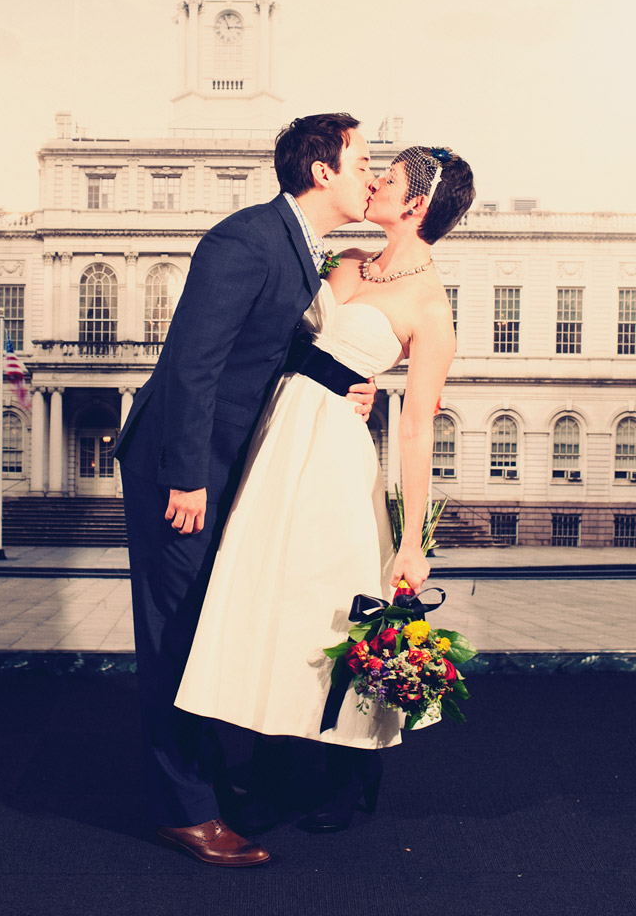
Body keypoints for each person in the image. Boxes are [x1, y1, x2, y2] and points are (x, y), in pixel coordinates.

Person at [175, 145, 476, 833]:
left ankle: (350, 769)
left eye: (389, 179)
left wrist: (411, 541)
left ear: (416, 205)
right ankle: (274, 759)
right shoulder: (343, 264)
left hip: (336, 462)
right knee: (268, 597)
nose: (373, 183)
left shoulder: (429, 308)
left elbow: (418, 430)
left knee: (324, 608)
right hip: (276, 438)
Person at [114, 113, 377, 866]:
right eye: (362, 160)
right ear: (322, 170)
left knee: (203, 626)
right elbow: (193, 362)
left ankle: (207, 785)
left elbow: (277, 344)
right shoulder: (246, 239)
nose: (369, 173)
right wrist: (187, 477)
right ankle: (185, 810)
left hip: (230, 463)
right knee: (174, 636)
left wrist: (349, 390)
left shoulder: (296, 247)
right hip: (185, 468)